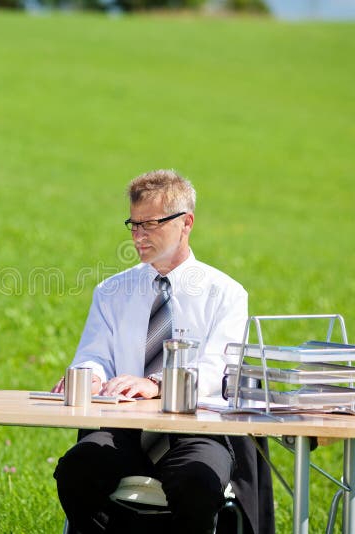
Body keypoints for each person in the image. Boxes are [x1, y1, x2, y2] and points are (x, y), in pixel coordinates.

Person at [52, 169, 271, 534]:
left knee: (197, 481)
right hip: (125, 429)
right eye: (133, 225)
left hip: (197, 430)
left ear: (186, 223)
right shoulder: (112, 291)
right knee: (78, 469)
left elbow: (220, 369)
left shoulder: (227, 294)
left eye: (150, 224)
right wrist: (89, 375)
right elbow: (94, 355)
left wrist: (157, 383)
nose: (139, 236)